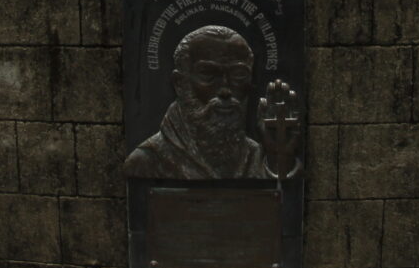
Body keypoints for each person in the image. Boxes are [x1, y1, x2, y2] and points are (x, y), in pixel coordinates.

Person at [125, 25, 297, 181]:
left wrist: (279, 156)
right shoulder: (146, 161)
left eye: (238, 74)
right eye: (208, 74)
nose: (225, 90)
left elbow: (282, 195)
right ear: (180, 83)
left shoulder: (259, 157)